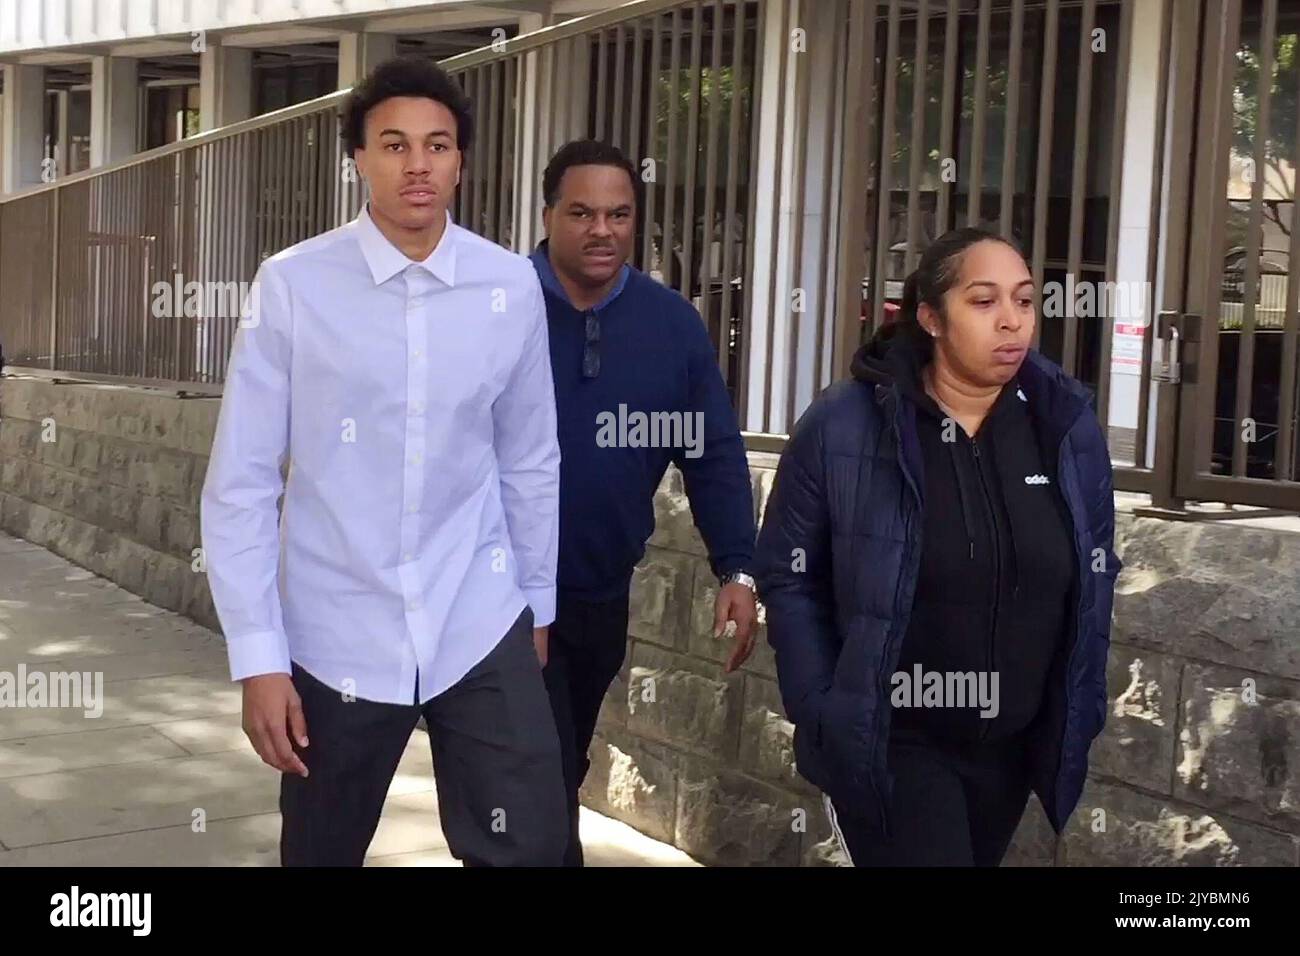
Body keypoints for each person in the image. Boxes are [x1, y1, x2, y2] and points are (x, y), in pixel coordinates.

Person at [200, 56, 567, 867]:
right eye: (394, 145)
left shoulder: (507, 286)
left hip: (477, 612)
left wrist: (534, 605)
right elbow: (242, 483)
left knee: (533, 845)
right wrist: (258, 658)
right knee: (322, 850)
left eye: (438, 146)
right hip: (337, 626)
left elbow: (530, 459)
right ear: (358, 158)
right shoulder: (294, 285)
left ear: (462, 161)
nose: (418, 165)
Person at [755, 227, 1121, 866]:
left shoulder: (1063, 427)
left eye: (1025, 300)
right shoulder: (845, 425)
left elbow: (1095, 570)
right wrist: (822, 707)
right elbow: (790, 575)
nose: (1011, 321)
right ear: (930, 318)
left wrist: (1079, 709)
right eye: (983, 302)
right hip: (897, 741)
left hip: (1010, 745)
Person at [531, 140, 759, 866]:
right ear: (548, 216)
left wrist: (738, 569)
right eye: (583, 213)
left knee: (558, 767)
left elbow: (714, 453)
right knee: (530, 778)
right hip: (493, 595)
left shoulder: (672, 326)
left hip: (599, 595)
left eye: (619, 214)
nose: (603, 230)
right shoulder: (493, 304)